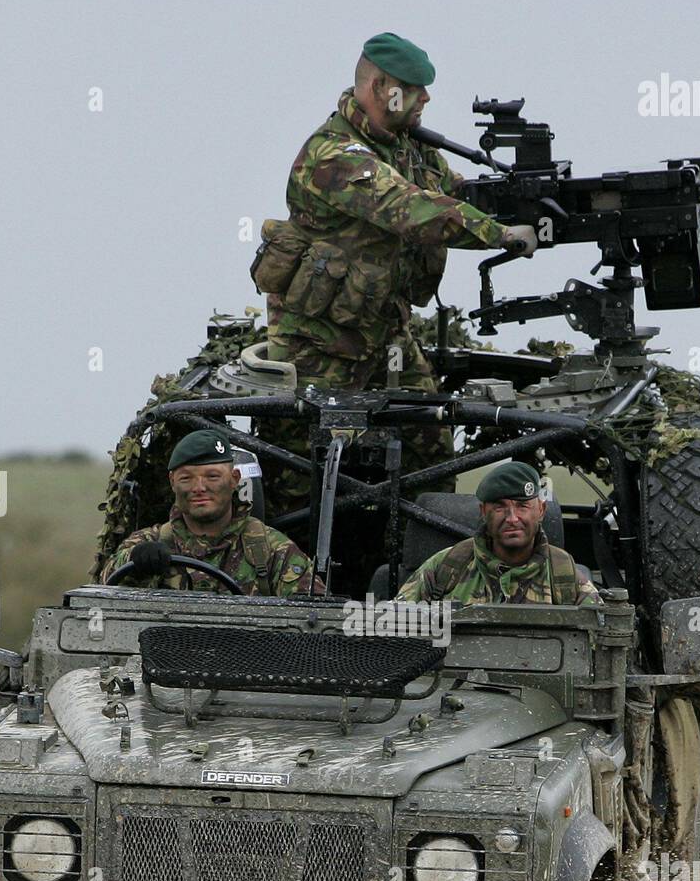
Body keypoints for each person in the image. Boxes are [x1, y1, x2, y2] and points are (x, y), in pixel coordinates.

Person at [250, 31, 537, 523]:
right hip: (319, 347)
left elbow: (458, 193)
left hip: (387, 337)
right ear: (380, 86)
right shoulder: (333, 155)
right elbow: (412, 210)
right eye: (414, 87)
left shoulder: (408, 149)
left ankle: (420, 562)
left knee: (430, 454)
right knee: (299, 483)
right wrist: (502, 234)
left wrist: (539, 199)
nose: (426, 98)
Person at [100, 431, 323, 596]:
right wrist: (136, 561)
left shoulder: (272, 550)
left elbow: (313, 617)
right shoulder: (150, 541)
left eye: (212, 476)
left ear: (234, 480)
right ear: (173, 482)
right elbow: (105, 585)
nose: (199, 487)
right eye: (186, 478)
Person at [395, 462, 603, 606]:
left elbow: (602, 643)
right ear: (484, 512)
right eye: (500, 507)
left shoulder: (563, 574)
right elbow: (396, 627)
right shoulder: (448, 566)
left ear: (540, 511)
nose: (512, 518)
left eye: (522, 506)